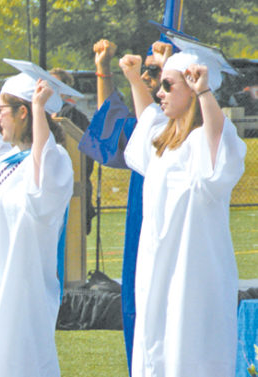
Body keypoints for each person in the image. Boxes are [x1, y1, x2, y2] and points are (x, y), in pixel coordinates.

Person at [122, 36, 244, 377]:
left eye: (167, 85)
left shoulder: (209, 140)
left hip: (194, 272)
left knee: (187, 352)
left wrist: (204, 91)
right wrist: (137, 80)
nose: (159, 91)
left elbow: (217, 154)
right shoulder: (163, 142)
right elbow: (148, 117)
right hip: (156, 268)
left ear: (191, 88)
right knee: (155, 347)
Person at [0, 59, 75, 376]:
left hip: (21, 287)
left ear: (24, 113)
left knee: (16, 361)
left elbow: (41, 184)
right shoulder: (9, 160)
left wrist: (39, 109)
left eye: (2, 108)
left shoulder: (53, 163)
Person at [90, 37, 174, 367]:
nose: (149, 75)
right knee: (136, 302)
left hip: (171, 223)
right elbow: (106, 135)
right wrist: (103, 70)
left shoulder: (187, 125)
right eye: (148, 70)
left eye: (155, 70)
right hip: (141, 216)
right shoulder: (147, 123)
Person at [49, 67, 96, 233]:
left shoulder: (72, 116)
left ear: (64, 91)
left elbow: (85, 159)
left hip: (73, 192)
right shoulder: (43, 114)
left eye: (54, 84)